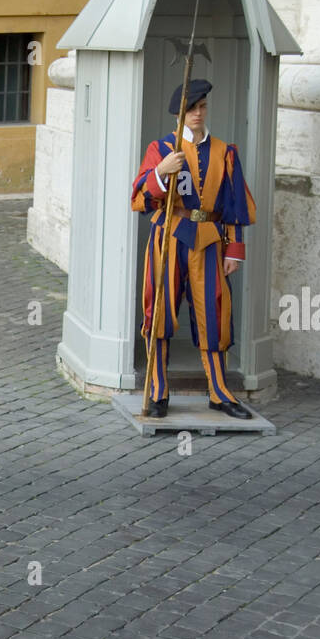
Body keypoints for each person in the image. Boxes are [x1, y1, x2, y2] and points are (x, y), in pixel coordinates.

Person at [131, 79, 257, 419]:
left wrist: (235, 249)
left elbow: (235, 205)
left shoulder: (224, 152)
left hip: (210, 239)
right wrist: (160, 172)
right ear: (180, 113)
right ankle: (158, 392)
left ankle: (219, 393)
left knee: (214, 316)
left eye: (202, 107)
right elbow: (140, 198)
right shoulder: (162, 149)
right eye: (191, 108)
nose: (198, 113)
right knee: (159, 313)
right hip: (169, 235)